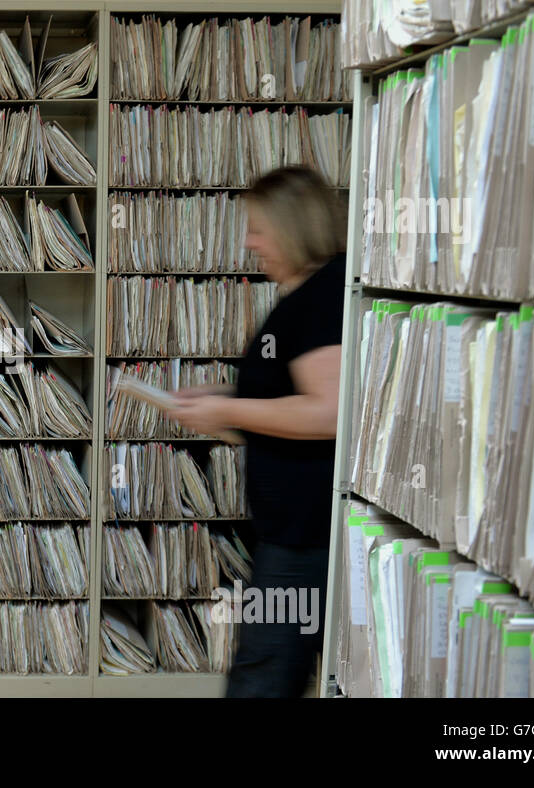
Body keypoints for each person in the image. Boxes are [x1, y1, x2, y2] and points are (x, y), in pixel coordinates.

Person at [168, 166, 346, 698]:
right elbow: (284, 403)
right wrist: (224, 403)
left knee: (262, 679)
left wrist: (235, 413)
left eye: (259, 228)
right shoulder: (310, 296)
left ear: (294, 228)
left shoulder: (320, 301)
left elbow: (327, 414)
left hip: (303, 537)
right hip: (292, 533)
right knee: (265, 671)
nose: (250, 243)